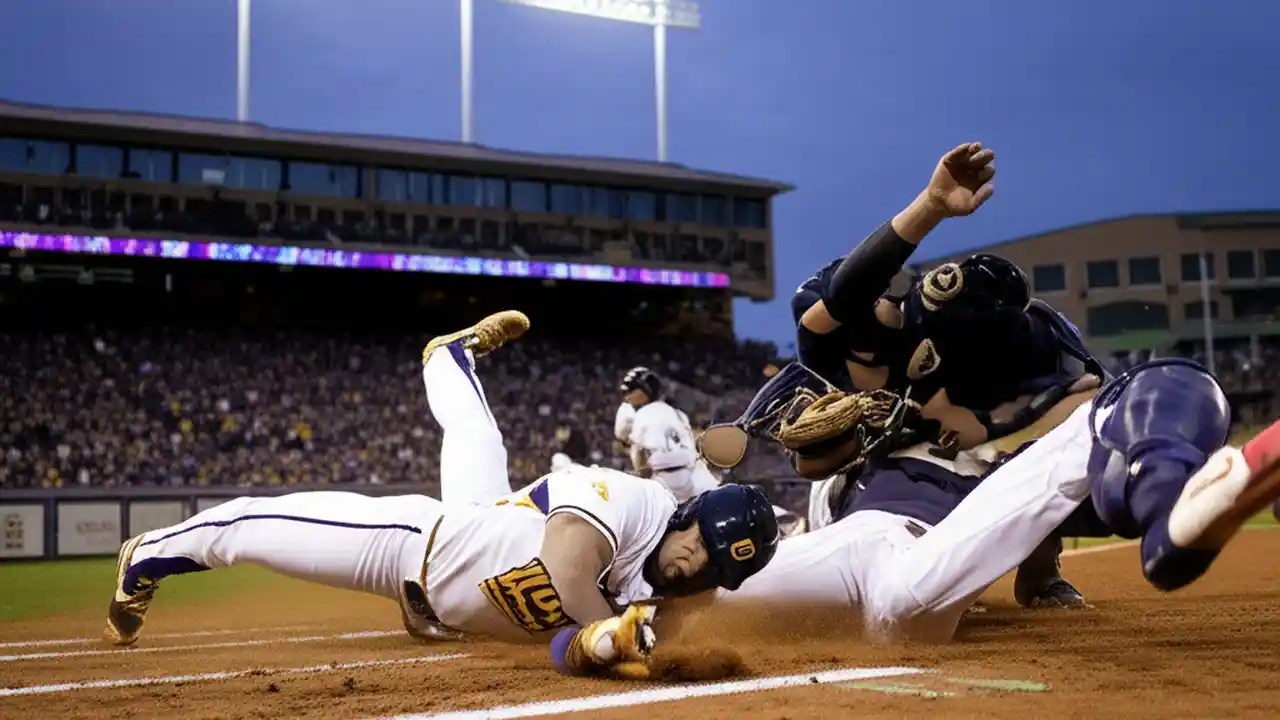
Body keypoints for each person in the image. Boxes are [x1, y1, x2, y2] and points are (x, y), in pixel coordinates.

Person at [104, 311, 780, 679]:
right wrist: (608, 631)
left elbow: (567, 649)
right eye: (700, 545)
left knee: (475, 443)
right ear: (688, 516)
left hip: (473, 552)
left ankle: (449, 361)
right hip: (418, 549)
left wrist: (600, 649)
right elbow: (566, 568)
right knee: (252, 529)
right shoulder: (638, 505)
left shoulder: (691, 593)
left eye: (717, 566)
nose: (696, 564)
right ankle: (147, 556)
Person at [701, 142, 1099, 608]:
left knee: (1044, 462)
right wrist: (929, 207)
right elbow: (814, 456)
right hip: (862, 481)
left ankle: (1036, 569)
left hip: (953, 462)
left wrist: (987, 427)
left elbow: (1084, 397)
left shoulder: (1024, 346)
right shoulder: (855, 317)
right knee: (881, 506)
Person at [719, 358, 1280, 643]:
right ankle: (631, 622)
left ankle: (1173, 511)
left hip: (923, 565)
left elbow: (1053, 509)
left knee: (1127, 395)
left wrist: (1043, 576)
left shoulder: (992, 466)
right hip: (871, 565)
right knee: (696, 580)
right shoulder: (832, 489)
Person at [616, 366, 806, 535]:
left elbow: (638, 450)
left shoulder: (636, 414)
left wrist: (641, 475)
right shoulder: (676, 412)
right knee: (720, 505)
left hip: (664, 479)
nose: (628, 395)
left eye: (633, 390)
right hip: (693, 470)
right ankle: (778, 518)